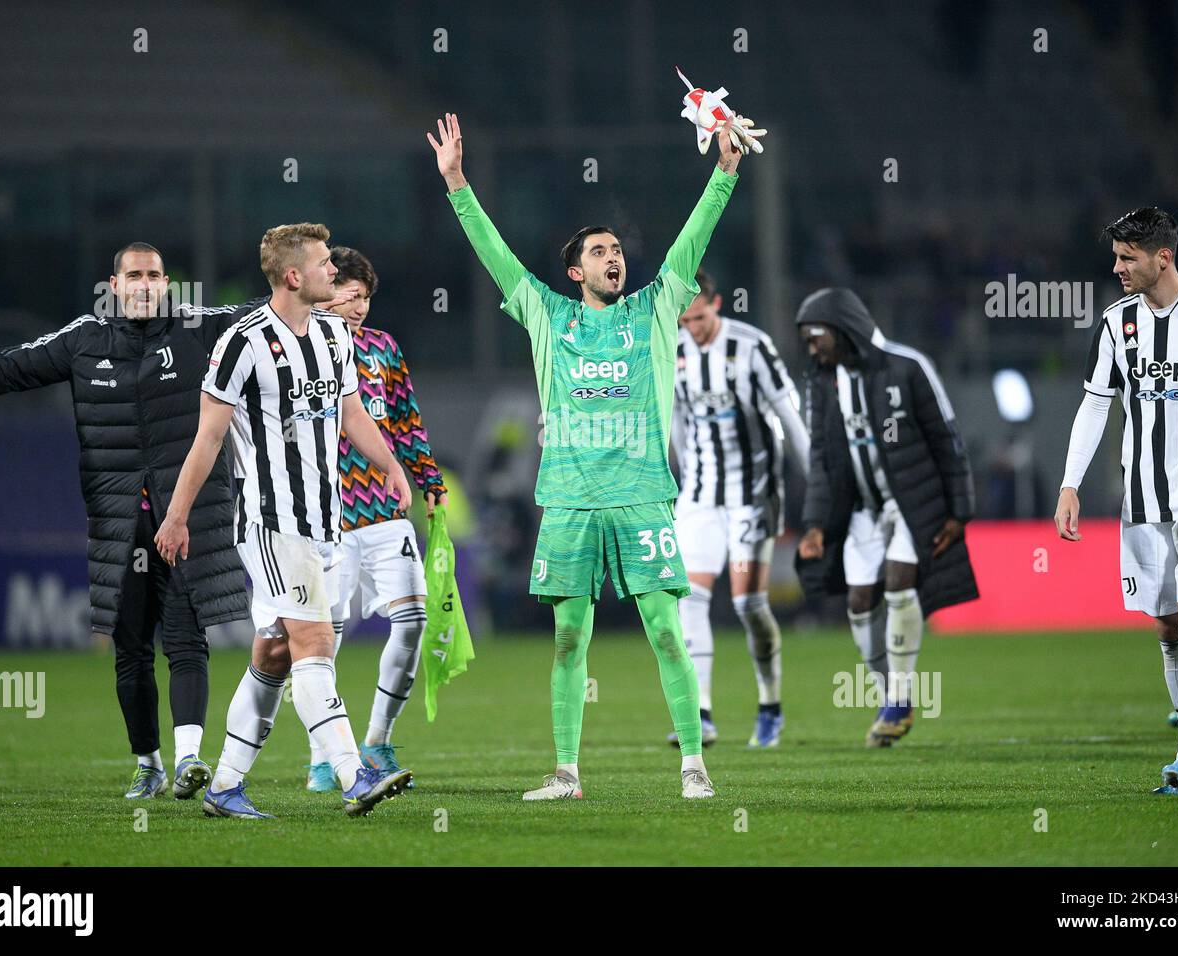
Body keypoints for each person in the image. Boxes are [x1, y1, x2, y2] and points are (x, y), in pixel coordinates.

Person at [427, 111, 743, 800]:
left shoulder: (658, 307)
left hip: (640, 495)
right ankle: (566, 772)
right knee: (569, 640)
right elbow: (494, 254)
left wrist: (724, 171)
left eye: (616, 250)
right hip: (567, 498)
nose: (613, 257)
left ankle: (694, 764)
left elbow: (695, 238)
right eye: (599, 251)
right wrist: (457, 184)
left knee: (665, 631)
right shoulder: (547, 313)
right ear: (576, 270)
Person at [0, 243, 259, 800]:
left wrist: (328, 289)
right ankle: (149, 763)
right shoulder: (82, 340)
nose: (143, 284)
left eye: (154, 275)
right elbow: (5, 368)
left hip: (185, 517)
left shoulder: (198, 329)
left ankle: (189, 760)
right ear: (114, 286)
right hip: (118, 522)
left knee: (187, 638)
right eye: (133, 275)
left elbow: (271, 311)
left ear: (167, 284)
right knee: (132, 647)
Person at [155, 223, 414, 818]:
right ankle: (353, 777)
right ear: (294, 275)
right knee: (315, 643)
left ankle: (223, 786)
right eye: (325, 263)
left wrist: (391, 466)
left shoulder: (332, 336)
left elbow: (352, 413)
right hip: (273, 524)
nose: (335, 271)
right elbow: (208, 438)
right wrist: (176, 517)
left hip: (326, 523)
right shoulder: (242, 344)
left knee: (273, 654)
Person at [1057, 207, 1178, 794]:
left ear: (1163, 256)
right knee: (1166, 627)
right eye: (1115, 256)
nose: (1117, 268)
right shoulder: (1115, 323)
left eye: (1127, 257)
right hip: (1142, 498)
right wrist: (1070, 484)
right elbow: (1095, 403)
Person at [795, 288, 977, 747]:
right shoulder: (822, 383)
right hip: (860, 510)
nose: (811, 347)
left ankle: (898, 697)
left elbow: (946, 439)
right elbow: (820, 458)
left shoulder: (906, 366)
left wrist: (960, 509)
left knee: (899, 581)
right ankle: (890, 700)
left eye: (816, 336)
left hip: (907, 503)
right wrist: (815, 525)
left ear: (843, 329)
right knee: (858, 604)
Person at [298, 245, 446, 793]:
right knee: (321, 643)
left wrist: (430, 480)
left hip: (386, 510)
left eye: (365, 298)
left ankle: (377, 740)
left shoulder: (383, 349)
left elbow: (406, 421)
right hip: (325, 517)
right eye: (349, 294)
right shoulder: (298, 348)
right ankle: (322, 756)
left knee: (412, 623)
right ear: (325, 288)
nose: (358, 306)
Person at [671, 269, 808, 748]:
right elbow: (676, 422)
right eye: (685, 320)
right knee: (688, 597)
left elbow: (790, 417)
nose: (693, 328)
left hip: (753, 496)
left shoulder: (752, 347)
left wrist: (818, 489)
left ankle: (770, 704)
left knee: (749, 604)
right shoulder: (675, 350)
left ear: (719, 304)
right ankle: (701, 714)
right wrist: (684, 477)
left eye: (700, 317)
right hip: (701, 496)